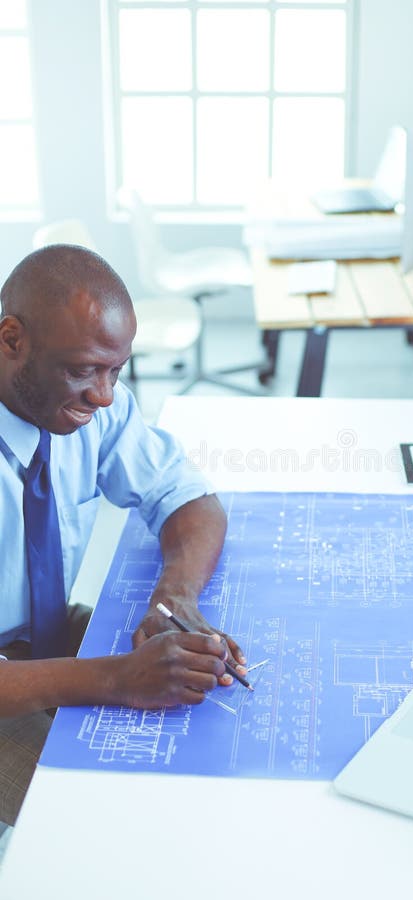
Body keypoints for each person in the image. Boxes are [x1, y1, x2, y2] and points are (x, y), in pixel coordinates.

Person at [0, 244, 246, 826]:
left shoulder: (89, 405)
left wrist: (175, 597)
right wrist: (114, 678)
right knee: (103, 817)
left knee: (198, 734)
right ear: (12, 341)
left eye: (117, 371)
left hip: (43, 635)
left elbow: (189, 497)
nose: (105, 396)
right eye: (83, 370)